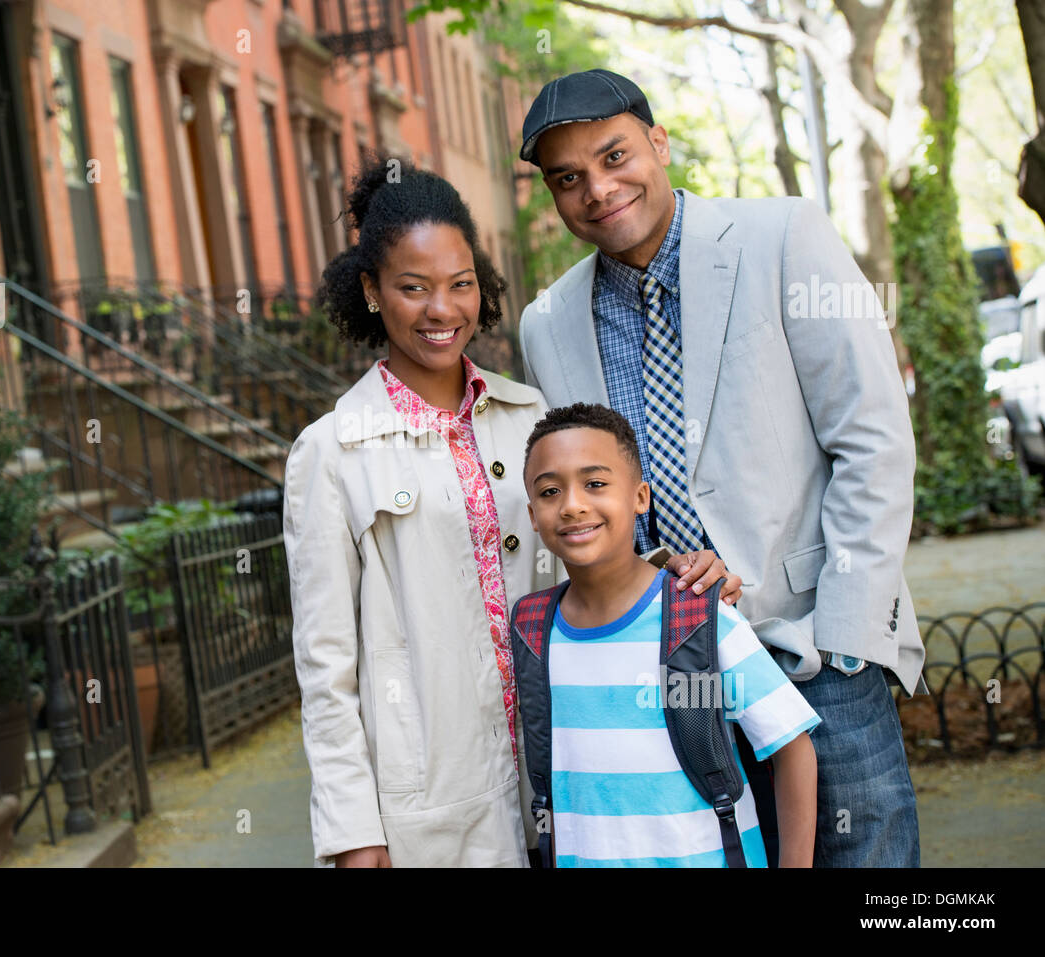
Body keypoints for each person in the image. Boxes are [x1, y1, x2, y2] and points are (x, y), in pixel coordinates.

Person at [516, 69, 925, 867]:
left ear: (658, 143)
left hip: (816, 649)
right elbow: (608, 497)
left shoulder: (783, 238)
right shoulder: (547, 323)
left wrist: (844, 639)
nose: (598, 189)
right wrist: (673, 572)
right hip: (671, 670)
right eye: (569, 179)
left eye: (614, 156)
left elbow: (872, 437)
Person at [282, 157, 740, 867]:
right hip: (435, 806)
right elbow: (325, 665)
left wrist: (665, 574)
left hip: (571, 770)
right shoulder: (331, 452)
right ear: (372, 291)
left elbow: (580, 561)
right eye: (413, 288)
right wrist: (352, 831)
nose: (443, 310)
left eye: (461, 284)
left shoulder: (526, 413)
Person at [512, 402, 821, 867]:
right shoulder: (534, 630)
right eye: (551, 491)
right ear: (534, 516)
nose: (573, 504)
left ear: (640, 497)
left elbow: (791, 747)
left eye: (595, 484)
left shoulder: (694, 621)